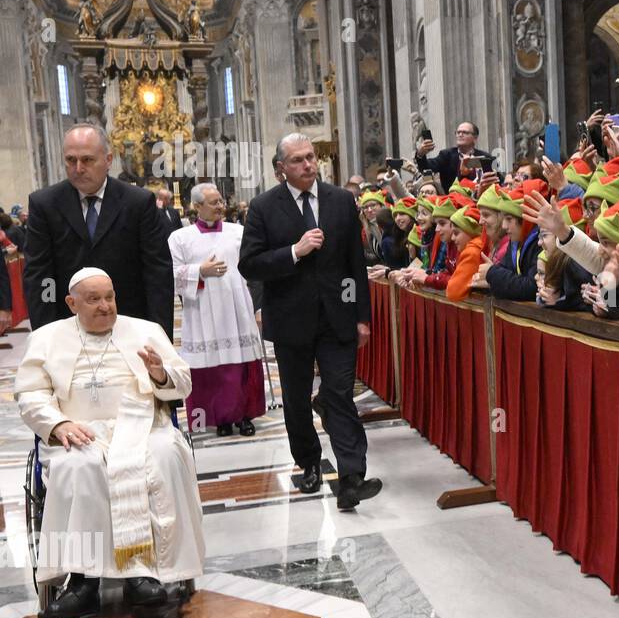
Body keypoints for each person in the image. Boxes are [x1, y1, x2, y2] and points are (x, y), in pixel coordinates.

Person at [16, 267, 204, 618]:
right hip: (79, 429)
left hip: (143, 424)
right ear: (72, 303)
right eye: (93, 300)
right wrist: (58, 424)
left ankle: (147, 574)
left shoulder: (147, 330)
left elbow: (183, 382)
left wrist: (160, 373)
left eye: (109, 297)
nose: (105, 307)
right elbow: (30, 394)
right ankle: (82, 581)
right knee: (77, 466)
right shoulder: (45, 338)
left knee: (162, 455)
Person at [238, 132, 381, 512]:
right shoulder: (264, 207)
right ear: (282, 168)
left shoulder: (339, 200)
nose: (308, 165)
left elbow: (354, 264)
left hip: (337, 319)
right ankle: (309, 462)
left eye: (311, 157)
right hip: (290, 320)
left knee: (339, 394)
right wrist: (293, 252)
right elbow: (249, 264)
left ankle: (352, 476)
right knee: (298, 400)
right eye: (298, 160)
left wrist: (360, 316)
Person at [24, 124, 172, 337]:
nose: (78, 168)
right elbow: (41, 277)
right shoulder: (44, 204)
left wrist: (159, 334)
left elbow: (157, 273)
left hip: (129, 322)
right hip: (67, 325)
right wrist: (45, 332)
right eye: (70, 160)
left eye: (87, 160)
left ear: (108, 160)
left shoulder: (138, 202)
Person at [168, 184, 265, 439]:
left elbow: (254, 266)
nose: (220, 206)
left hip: (237, 307)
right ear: (197, 206)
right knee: (211, 368)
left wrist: (258, 306)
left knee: (241, 364)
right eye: (213, 202)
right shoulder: (180, 238)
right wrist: (200, 271)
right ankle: (220, 419)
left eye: (221, 201)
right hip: (202, 310)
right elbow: (170, 275)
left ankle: (244, 416)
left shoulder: (239, 232)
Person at [419, 122, 497, 193]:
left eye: (465, 132)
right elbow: (426, 168)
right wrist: (420, 154)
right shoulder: (446, 155)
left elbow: (497, 179)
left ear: (475, 137)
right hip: (453, 201)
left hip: (480, 199)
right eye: (458, 132)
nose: (460, 134)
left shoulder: (486, 157)